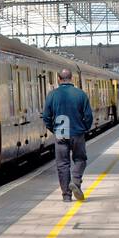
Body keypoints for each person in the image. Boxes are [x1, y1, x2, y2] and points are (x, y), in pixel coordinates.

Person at [42, 68, 95, 202]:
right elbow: (88, 116)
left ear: (59, 79)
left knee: (62, 164)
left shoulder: (52, 95)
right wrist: (85, 128)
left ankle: (66, 195)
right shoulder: (81, 94)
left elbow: (47, 117)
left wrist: (54, 129)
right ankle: (75, 182)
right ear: (71, 78)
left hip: (61, 132)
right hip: (77, 132)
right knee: (80, 159)